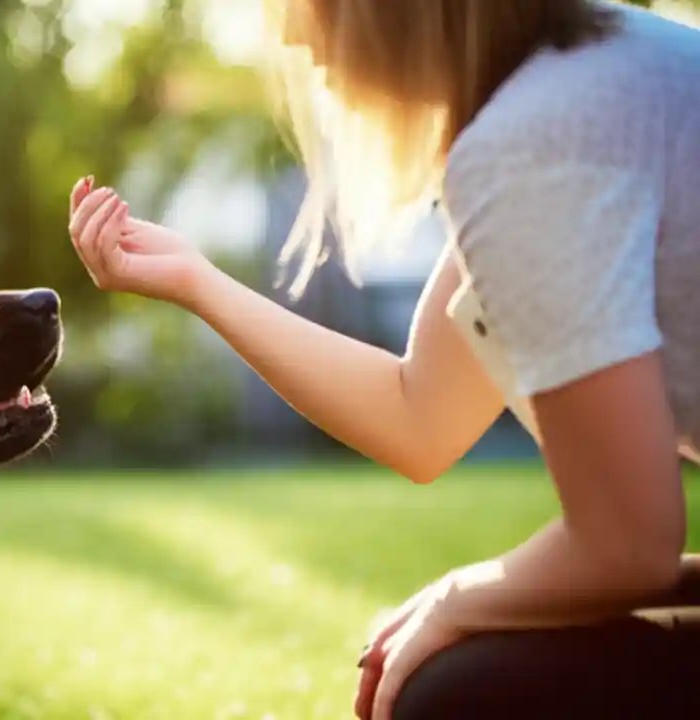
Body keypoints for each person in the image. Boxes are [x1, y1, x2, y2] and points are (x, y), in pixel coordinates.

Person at [65, 1, 700, 718]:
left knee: (453, 690)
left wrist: (458, 602)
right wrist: (196, 281)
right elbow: (420, 413)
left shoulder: (535, 136)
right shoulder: (588, 80)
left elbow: (626, 546)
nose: (296, 38)